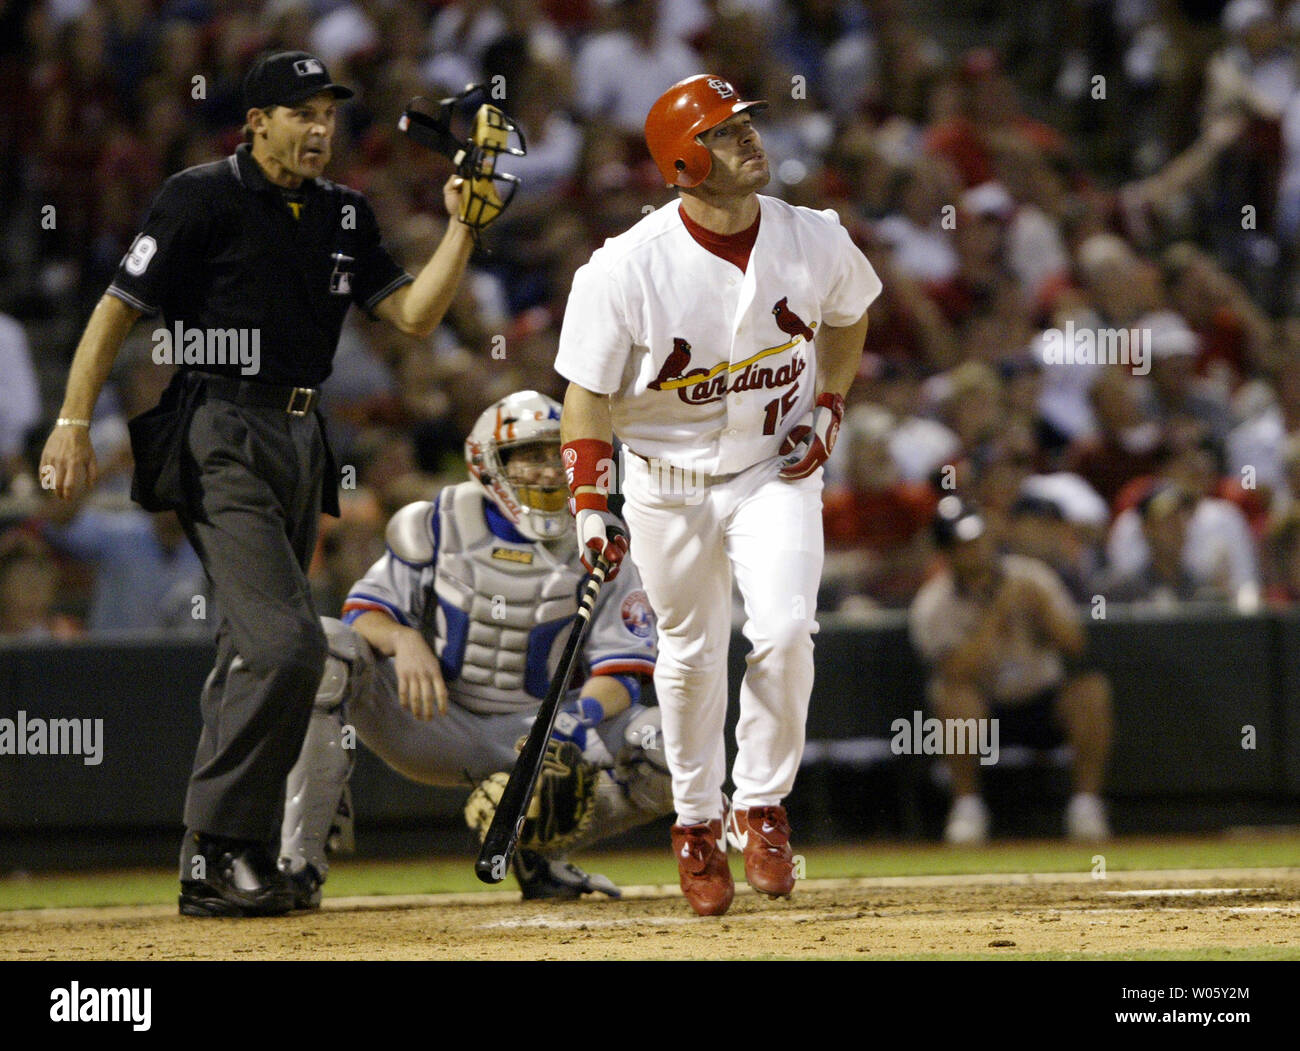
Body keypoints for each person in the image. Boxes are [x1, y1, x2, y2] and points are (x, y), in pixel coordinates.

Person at [38, 51, 479, 917]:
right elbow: (116, 306)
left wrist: (463, 226)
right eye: (300, 112)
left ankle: (222, 858)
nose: (319, 128)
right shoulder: (199, 194)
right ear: (256, 122)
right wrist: (70, 421)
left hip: (300, 435)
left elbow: (416, 315)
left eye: (328, 113)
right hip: (220, 424)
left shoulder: (345, 215)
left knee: (254, 648)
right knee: (289, 646)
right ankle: (224, 847)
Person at [554, 75, 881, 916]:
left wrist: (830, 405)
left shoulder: (812, 236)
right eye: (724, 132)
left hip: (774, 464)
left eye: (745, 125)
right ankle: (696, 823)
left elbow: (851, 315)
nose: (747, 140)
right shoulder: (625, 267)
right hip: (665, 481)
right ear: (681, 160)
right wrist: (591, 505)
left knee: (783, 627)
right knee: (693, 652)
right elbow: (585, 395)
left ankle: (761, 806)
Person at [278, 391, 667, 906]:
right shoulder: (437, 520)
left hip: (543, 733)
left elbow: (623, 669)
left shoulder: (603, 539)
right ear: (487, 463)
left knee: (674, 745)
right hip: (432, 719)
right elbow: (363, 613)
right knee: (328, 646)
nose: (547, 469)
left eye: (557, 453)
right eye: (528, 455)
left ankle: (538, 845)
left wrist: (576, 720)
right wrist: (403, 637)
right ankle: (298, 861)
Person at [909, 496, 1112, 844]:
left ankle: (1086, 807)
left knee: (1091, 690)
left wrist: (1044, 611)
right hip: (984, 711)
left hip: (1040, 702)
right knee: (954, 698)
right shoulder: (934, 602)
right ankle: (967, 808)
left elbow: (1075, 645)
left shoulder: (1031, 577)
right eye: (965, 545)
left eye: (981, 540)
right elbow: (957, 670)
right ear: (949, 553)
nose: (978, 551)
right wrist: (997, 613)